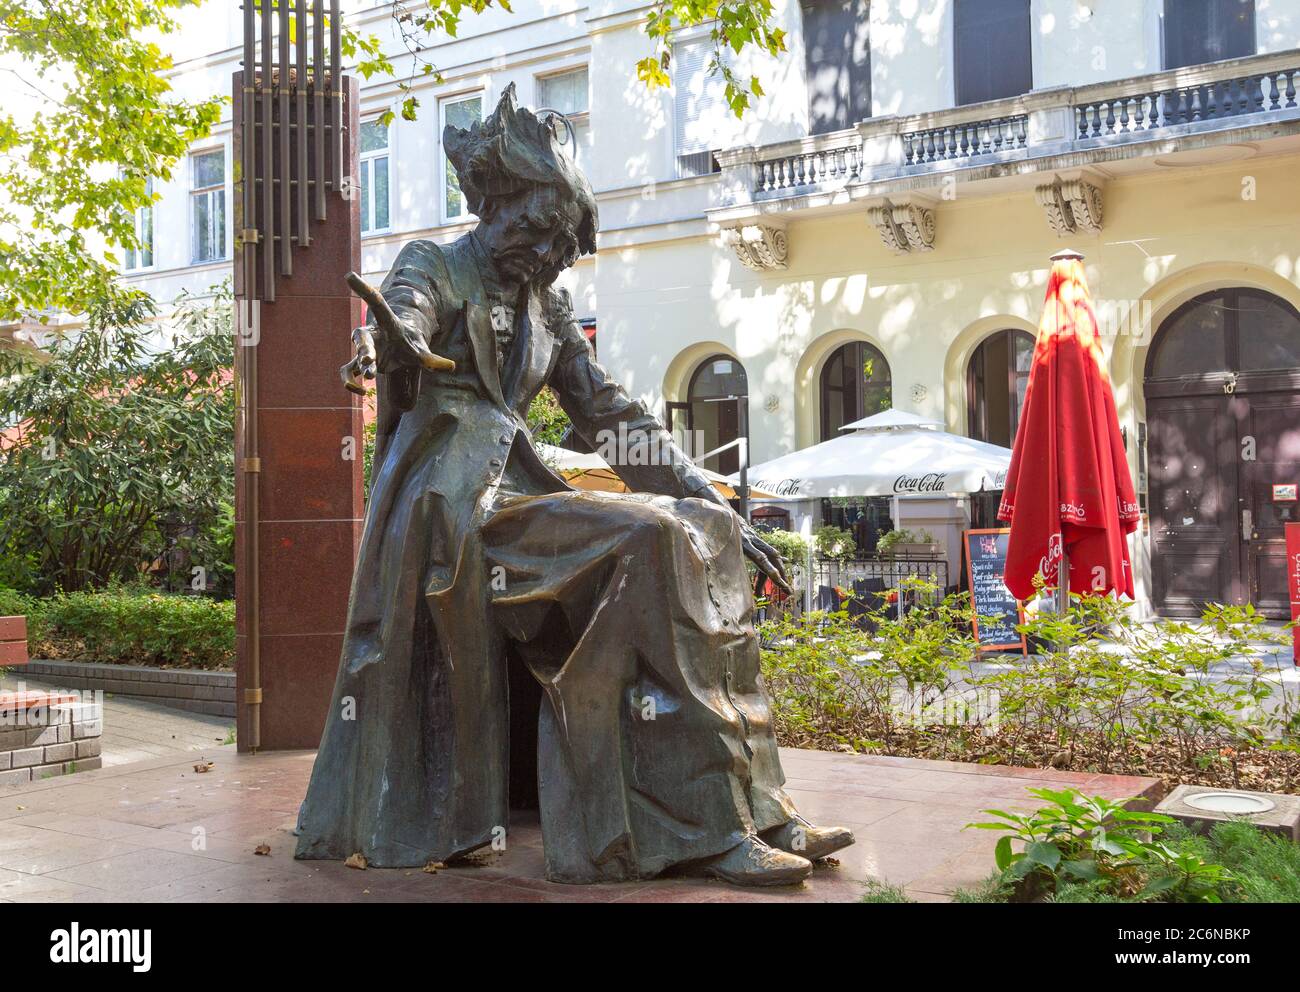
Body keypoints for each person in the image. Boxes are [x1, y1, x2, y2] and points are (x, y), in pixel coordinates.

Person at [295, 85, 853, 886]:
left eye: (561, 239)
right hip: (454, 511)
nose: (551, 250)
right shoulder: (437, 264)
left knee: (708, 530)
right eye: (539, 228)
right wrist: (386, 344)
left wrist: (707, 490)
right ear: (497, 201)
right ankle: (705, 829)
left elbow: (609, 414)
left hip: (517, 499)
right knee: (652, 536)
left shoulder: (547, 308)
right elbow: (400, 314)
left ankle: (761, 806)